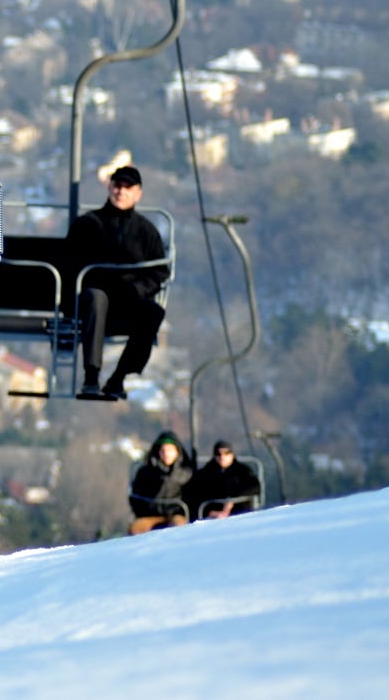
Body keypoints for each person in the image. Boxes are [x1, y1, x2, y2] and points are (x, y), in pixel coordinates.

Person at [67, 164, 169, 400]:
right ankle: (91, 375)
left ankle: (120, 377)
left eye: (127, 187)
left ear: (137, 193)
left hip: (128, 301)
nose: (121, 192)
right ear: (110, 188)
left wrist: (136, 288)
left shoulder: (146, 232)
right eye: (117, 186)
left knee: (153, 312)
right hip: (92, 300)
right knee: (96, 298)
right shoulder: (89, 225)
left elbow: (159, 272)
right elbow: (70, 262)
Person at [128, 430, 194, 534]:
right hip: (150, 516)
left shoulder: (186, 473)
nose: (166, 454)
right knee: (135, 529)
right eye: (163, 450)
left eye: (170, 450)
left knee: (179, 528)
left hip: (176, 515)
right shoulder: (146, 472)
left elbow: (193, 496)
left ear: (177, 451)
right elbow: (136, 496)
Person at [185, 439, 261, 519]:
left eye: (226, 453)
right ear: (214, 455)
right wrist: (209, 512)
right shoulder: (205, 473)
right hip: (212, 516)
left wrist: (232, 500)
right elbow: (194, 495)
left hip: (240, 513)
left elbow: (255, 487)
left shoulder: (242, 471)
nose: (222, 457)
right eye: (218, 454)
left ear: (232, 455)